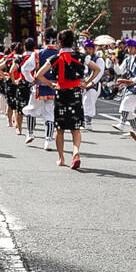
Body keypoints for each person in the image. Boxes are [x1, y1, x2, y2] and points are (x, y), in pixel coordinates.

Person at [34, 29, 89, 168]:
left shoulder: (54, 58)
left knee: (60, 129)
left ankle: (61, 158)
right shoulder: (81, 56)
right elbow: (97, 69)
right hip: (76, 93)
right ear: (73, 42)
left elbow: (39, 75)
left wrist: (50, 84)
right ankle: (76, 151)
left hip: (60, 93)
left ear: (59, 42)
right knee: (75, 128)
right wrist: (87, 82)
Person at [113, 39, 136, 136]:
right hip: (128, 86)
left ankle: (122, 123)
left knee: (126, 103)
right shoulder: (127, 59)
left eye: (131, 47)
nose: (129, 49)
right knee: (130, 110)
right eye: (128, 47)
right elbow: (119, 71)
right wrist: (115, 63)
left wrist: (132, 81)